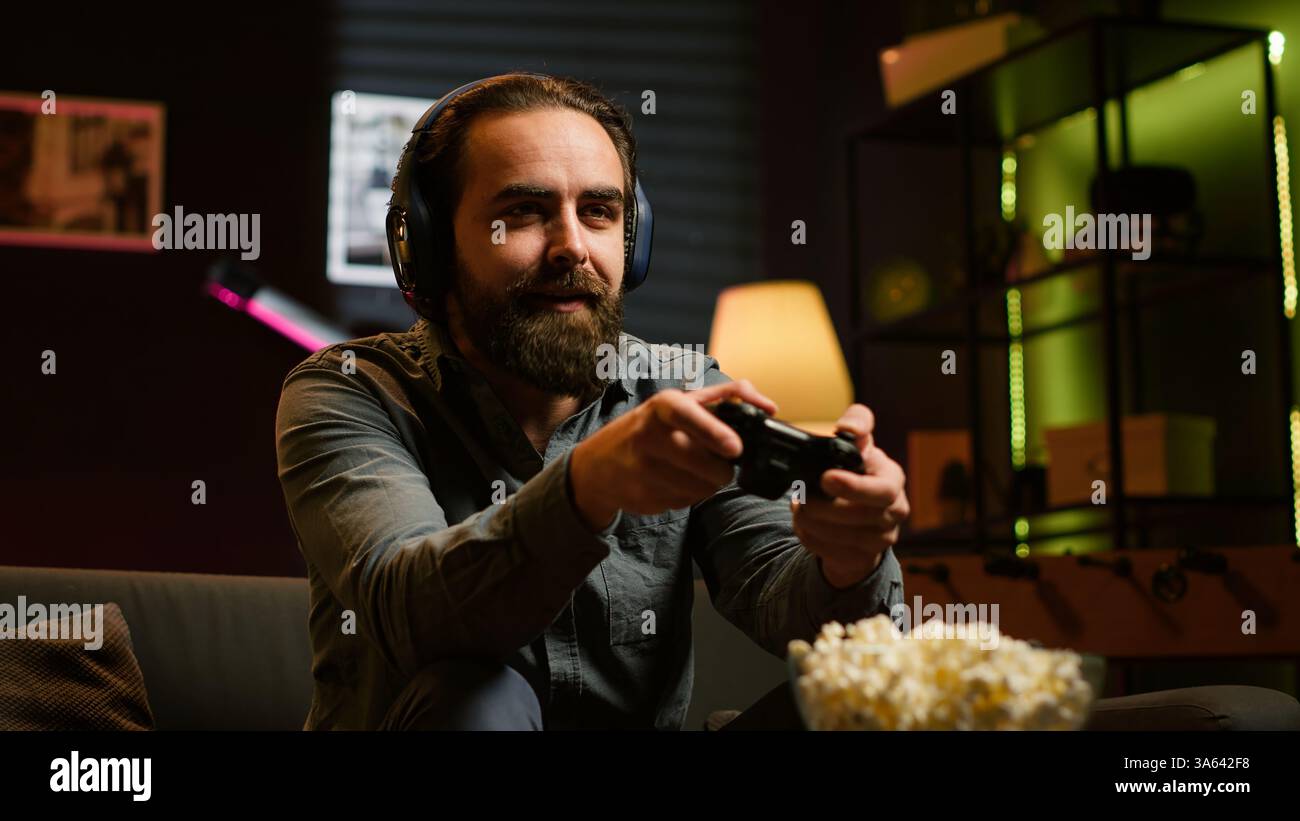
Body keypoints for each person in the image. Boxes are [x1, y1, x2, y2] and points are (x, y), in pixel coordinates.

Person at [274, 73, 909, 731]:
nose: (573, 246)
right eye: (524, 211)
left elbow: (795, 605)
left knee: (862, 700)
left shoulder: (681, 390)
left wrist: (849, 558)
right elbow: (416, 616)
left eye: (599, 211)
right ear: (429, 246)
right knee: (477, 698)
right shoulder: (349, 392)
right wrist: (589, 487)